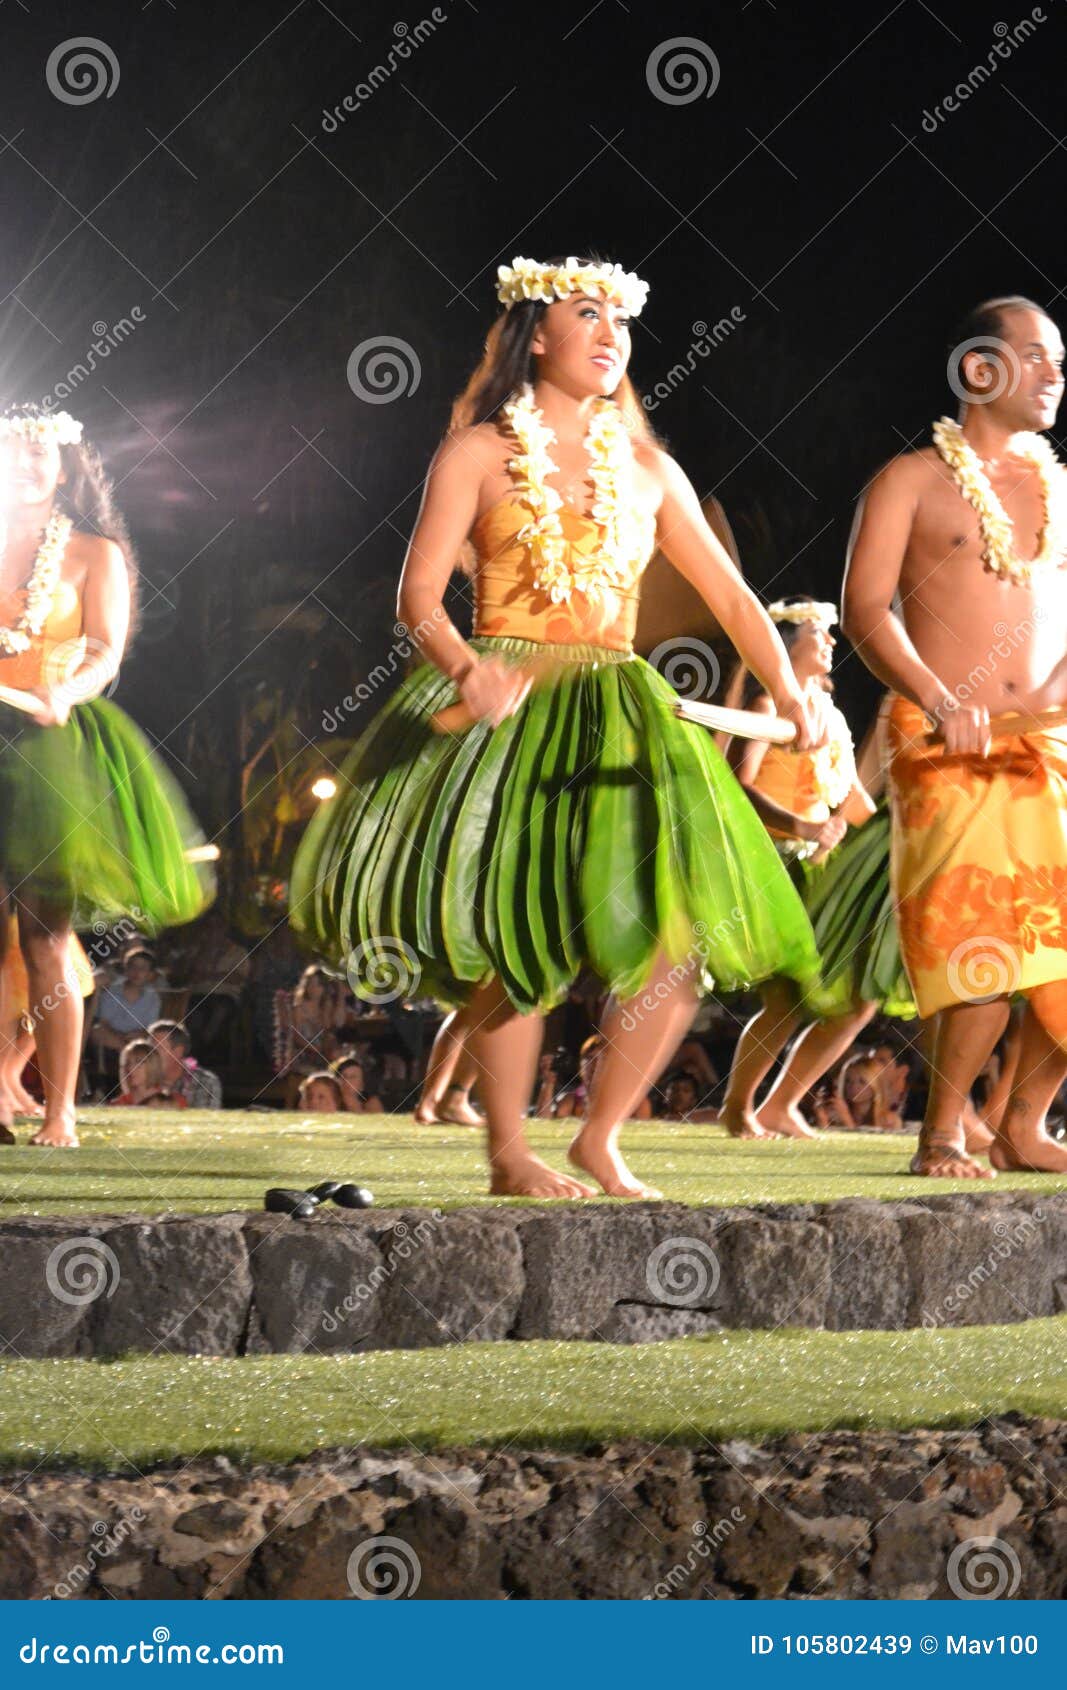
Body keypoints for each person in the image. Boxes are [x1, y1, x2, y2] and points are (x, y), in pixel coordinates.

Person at [290, 252, 827, 1198]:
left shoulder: (650, 469)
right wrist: (468, 669)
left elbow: (734, 597)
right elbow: (417, 597)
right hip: (512, 700)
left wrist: (791, 695)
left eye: (623, 320)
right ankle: (507, 1153)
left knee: (672, 947)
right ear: (538, 333)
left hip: (620, 713)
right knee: (520, 940)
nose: (612, 335)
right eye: (590, 314)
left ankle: (599, 1136)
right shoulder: (478, 452)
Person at [843, 294, 1067, 1175]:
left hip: (1046, 740)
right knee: (987, 933)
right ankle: (940, 1131)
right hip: (945, 741)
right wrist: (938, 698)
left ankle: (1020, 1124)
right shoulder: (908, 480)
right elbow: (866, 611)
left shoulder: (1061, 487)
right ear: (981, 367)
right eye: (1039, 355)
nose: (1056, 374)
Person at [0, 404, 214, 1146]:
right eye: (12, 451)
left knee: (44, 933)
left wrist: (66, 690)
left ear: (64, 466)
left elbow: (103, 652)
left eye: (38, 452)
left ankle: (58, 1109)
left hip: (47, 739)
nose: (25, 464)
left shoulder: (93, 552)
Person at [716, 598, 878, 1138]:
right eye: (819, 633)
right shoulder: (767, 706)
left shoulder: (829, 715)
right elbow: (740, 783)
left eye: (831, 634)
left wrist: (890, 841)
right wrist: (805, 828)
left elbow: (849, 794)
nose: (831, 642)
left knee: (857, 1000)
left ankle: (779, 1103)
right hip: (775, 863)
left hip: (822, 869)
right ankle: (739, 1106)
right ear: (788, 644)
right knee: (786, 998)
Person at [148, 1019, 223, 1108]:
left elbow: (205, 1120)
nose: (149, 1055)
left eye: (157, 1049)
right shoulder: (140, 1078)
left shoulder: (205, 1081)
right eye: (148, 1049)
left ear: (178, 1051)